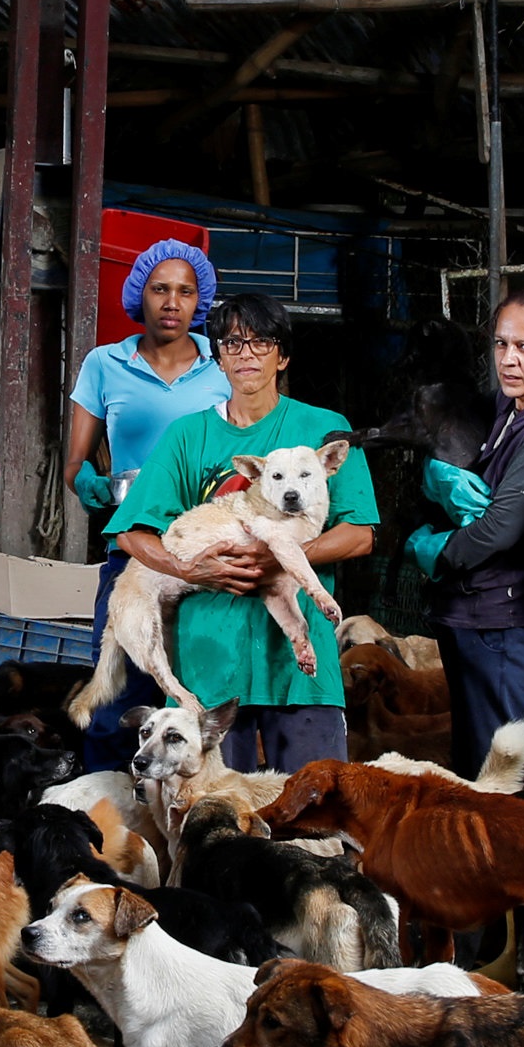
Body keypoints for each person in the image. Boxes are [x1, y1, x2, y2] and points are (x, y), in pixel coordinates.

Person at [106, 290, 377, 772]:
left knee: (315, 816)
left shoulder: (323, 429)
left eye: (260, 342)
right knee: (220, 823)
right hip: (209, 669)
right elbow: (132, 534)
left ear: (283, 355)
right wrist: (194, 567)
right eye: (232, 344)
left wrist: (283, 555)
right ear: (217, 358)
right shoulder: (187, 435)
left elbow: (359, 533)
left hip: (301, 672)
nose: (245, 353)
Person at [60, 240, 231, 769]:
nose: (172, 302)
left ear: (200, 301)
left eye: (186, 291)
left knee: (195, 688)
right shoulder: (104, 364)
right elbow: (75, 463)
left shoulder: (224, 366)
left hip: (205, 553)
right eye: (160, 289)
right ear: (141, 296)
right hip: (132, 549)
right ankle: (105, 811)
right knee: (116, 687)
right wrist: (85, 479)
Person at [414, 285, 524, 772]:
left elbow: (500, 530)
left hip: (506, 624)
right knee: (476, 765)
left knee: (504, 774)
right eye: (501, 344)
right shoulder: (508, 408)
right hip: (475, 616)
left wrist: (439, 552)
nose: (509, 360)